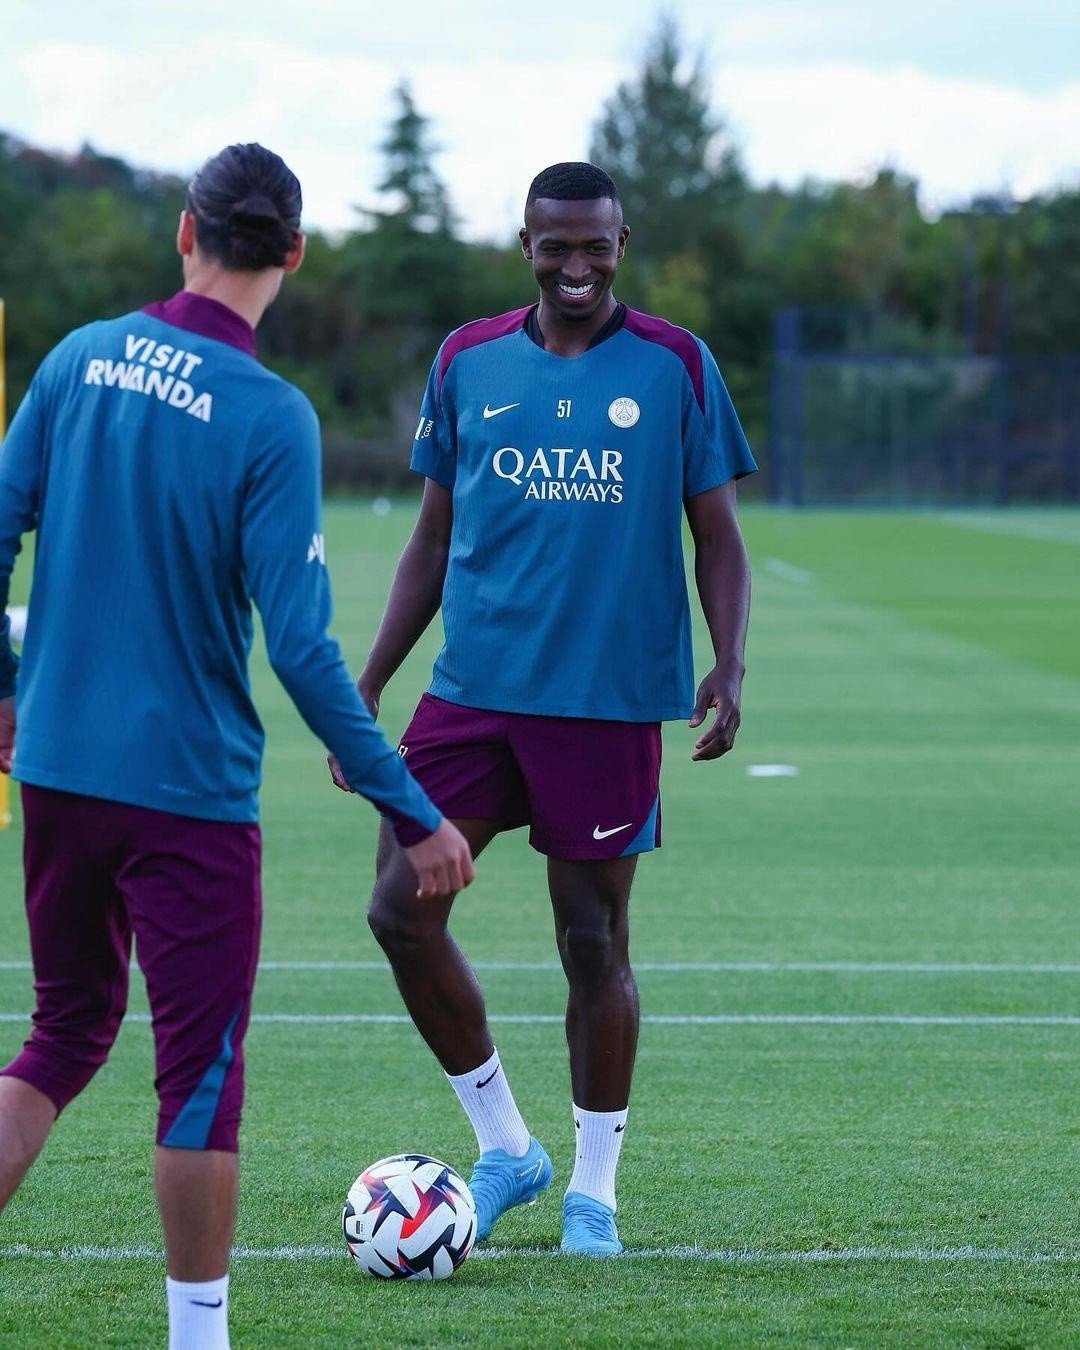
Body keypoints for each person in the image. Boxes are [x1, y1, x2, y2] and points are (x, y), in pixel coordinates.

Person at [0, 142, 473, 1349]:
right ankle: (198, 1340)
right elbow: (304, 652)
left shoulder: (75, 358)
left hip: (54, 773)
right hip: (187, 798)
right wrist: (411, 809)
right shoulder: (269, 415)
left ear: (184, 232)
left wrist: (7, 696)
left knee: (61, 1032)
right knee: (198, 1075)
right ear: (296, 256)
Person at [330, 161, 756, 1255]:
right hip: (472, 696)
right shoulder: (467, 360)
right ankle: (508, 1147)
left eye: (595, 245)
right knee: (398, 912)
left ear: (623, 242)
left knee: (591, 940)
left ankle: (592, 1193)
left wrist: (729, 663)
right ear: (525, 242)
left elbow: (718, 535)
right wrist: (367, 683)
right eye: (554, 245)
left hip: (606, 707)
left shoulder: (675, 365)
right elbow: (430, 538)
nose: (576, 266)